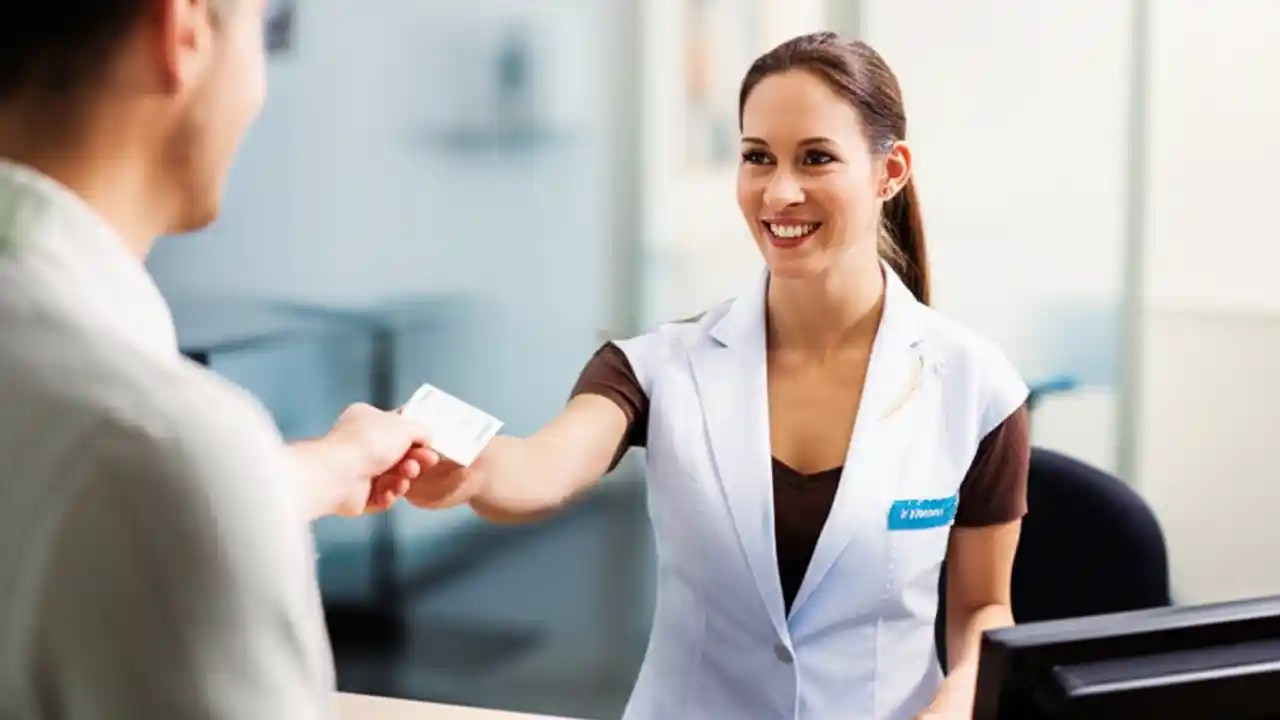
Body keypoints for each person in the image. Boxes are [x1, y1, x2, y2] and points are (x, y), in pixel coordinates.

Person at [407, 32, 1030, 720]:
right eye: (756, 158)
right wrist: (470, 470)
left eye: (816, 158)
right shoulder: (654, 368)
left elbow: (980, 608)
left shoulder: (977, 387)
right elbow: (539, 468)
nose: (779, 191)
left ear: (891, 171)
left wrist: (952, 709)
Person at [0, 2, 437, 717]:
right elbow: (141, 488)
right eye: (262, 32)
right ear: (185, 31)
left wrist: (320, 467)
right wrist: (221, 480)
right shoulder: (148, 450)